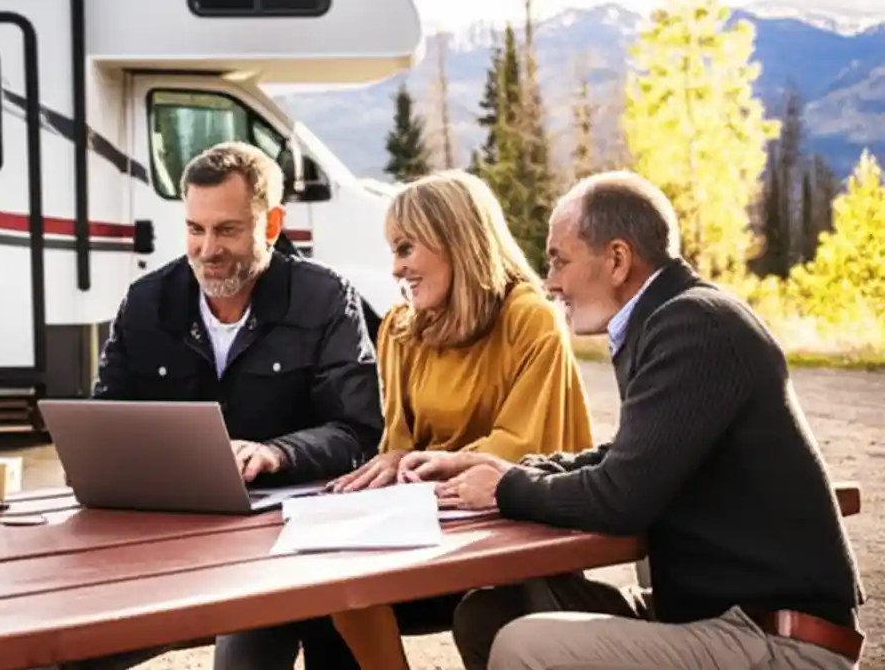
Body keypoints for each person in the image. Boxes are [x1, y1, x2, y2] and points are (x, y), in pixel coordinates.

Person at [403, 170, 865, 669]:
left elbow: (623, 497)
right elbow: (628, 457)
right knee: (489, 616)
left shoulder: (696, 325)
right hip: (708, 619)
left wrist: (507, 488)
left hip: (777, 639)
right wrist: (498, 470)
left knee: (525, 646)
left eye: (559, 259)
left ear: (618, 259)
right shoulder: (665, 320)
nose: (550, 281)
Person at [62, 141, 382, 670]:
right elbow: (106, 426)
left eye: (227, 230)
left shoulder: (325, 299)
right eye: (195, 229)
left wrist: (275, 454)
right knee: (61, 647)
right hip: (167, 538)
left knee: (278, 646)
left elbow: (356, 432)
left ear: (272, 224)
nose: (208, 249)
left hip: (288, 540)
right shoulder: (146, 302)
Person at [274, 169, 596, 669]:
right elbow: (399, 442)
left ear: (456, 242)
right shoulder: (403, 329)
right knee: (328, 588)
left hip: (512, 525)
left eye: (406, 249)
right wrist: (391, 463)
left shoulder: (529, 318)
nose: (397, 269)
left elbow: (526, 446)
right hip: (431, 518)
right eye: (393, 253)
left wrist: (431, 467)